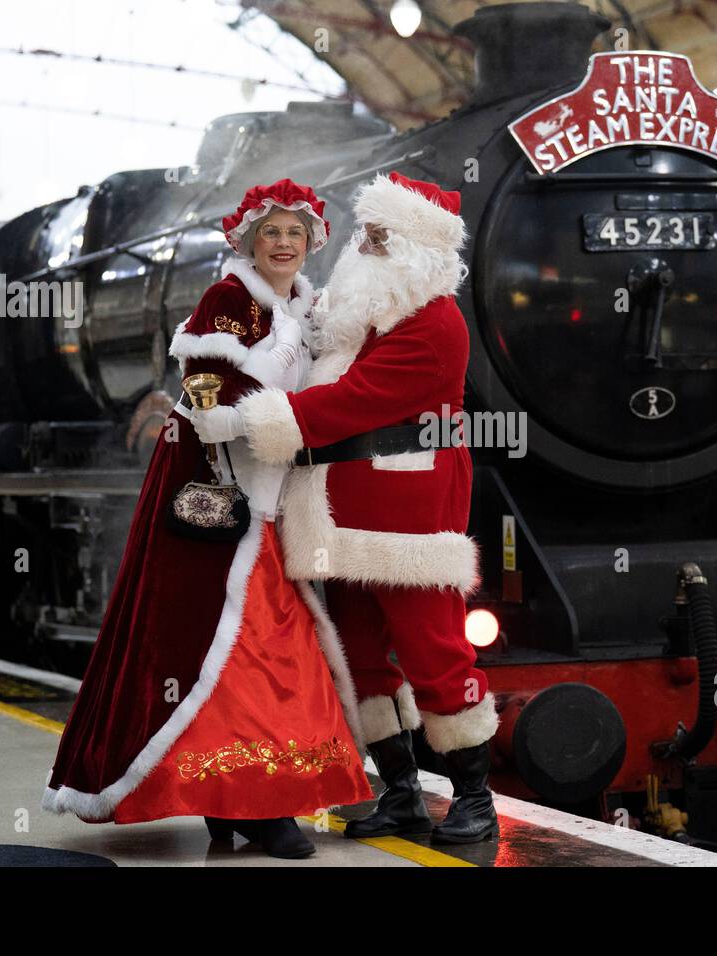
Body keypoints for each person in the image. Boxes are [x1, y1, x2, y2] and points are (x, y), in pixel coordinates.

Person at [42, 179, 374, 859]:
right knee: (240, 648)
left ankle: (232, 803)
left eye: (295, 232)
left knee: (253, 645)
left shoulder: (304, 305)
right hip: (220, 490)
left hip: (272, 493)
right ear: (249, 241)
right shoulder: (230, 298)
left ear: (313, 241)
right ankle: (257, 806)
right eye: (271, 232)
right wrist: (275, 424)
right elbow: (203, 389)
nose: (284, 244)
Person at [193, 171, 498, 844]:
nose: (366, 242)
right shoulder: (360, 316)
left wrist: (253, 420)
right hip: (340, 519)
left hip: (409, 522)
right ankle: (402, 794)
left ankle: (476, 798)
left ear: (420, 247)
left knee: (437, 654)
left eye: (382, 234)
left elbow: (349, 402)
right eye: (366, 231)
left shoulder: (434, 324)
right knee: (360, 656)